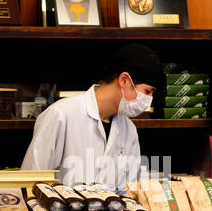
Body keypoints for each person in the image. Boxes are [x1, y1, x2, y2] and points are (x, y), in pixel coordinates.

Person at [21, 44, 165, 189]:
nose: (149, 100)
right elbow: (32, 181)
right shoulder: (61, 115)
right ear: (124, 80)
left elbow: (129, 190)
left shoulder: (129, 129)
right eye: (147, 91)